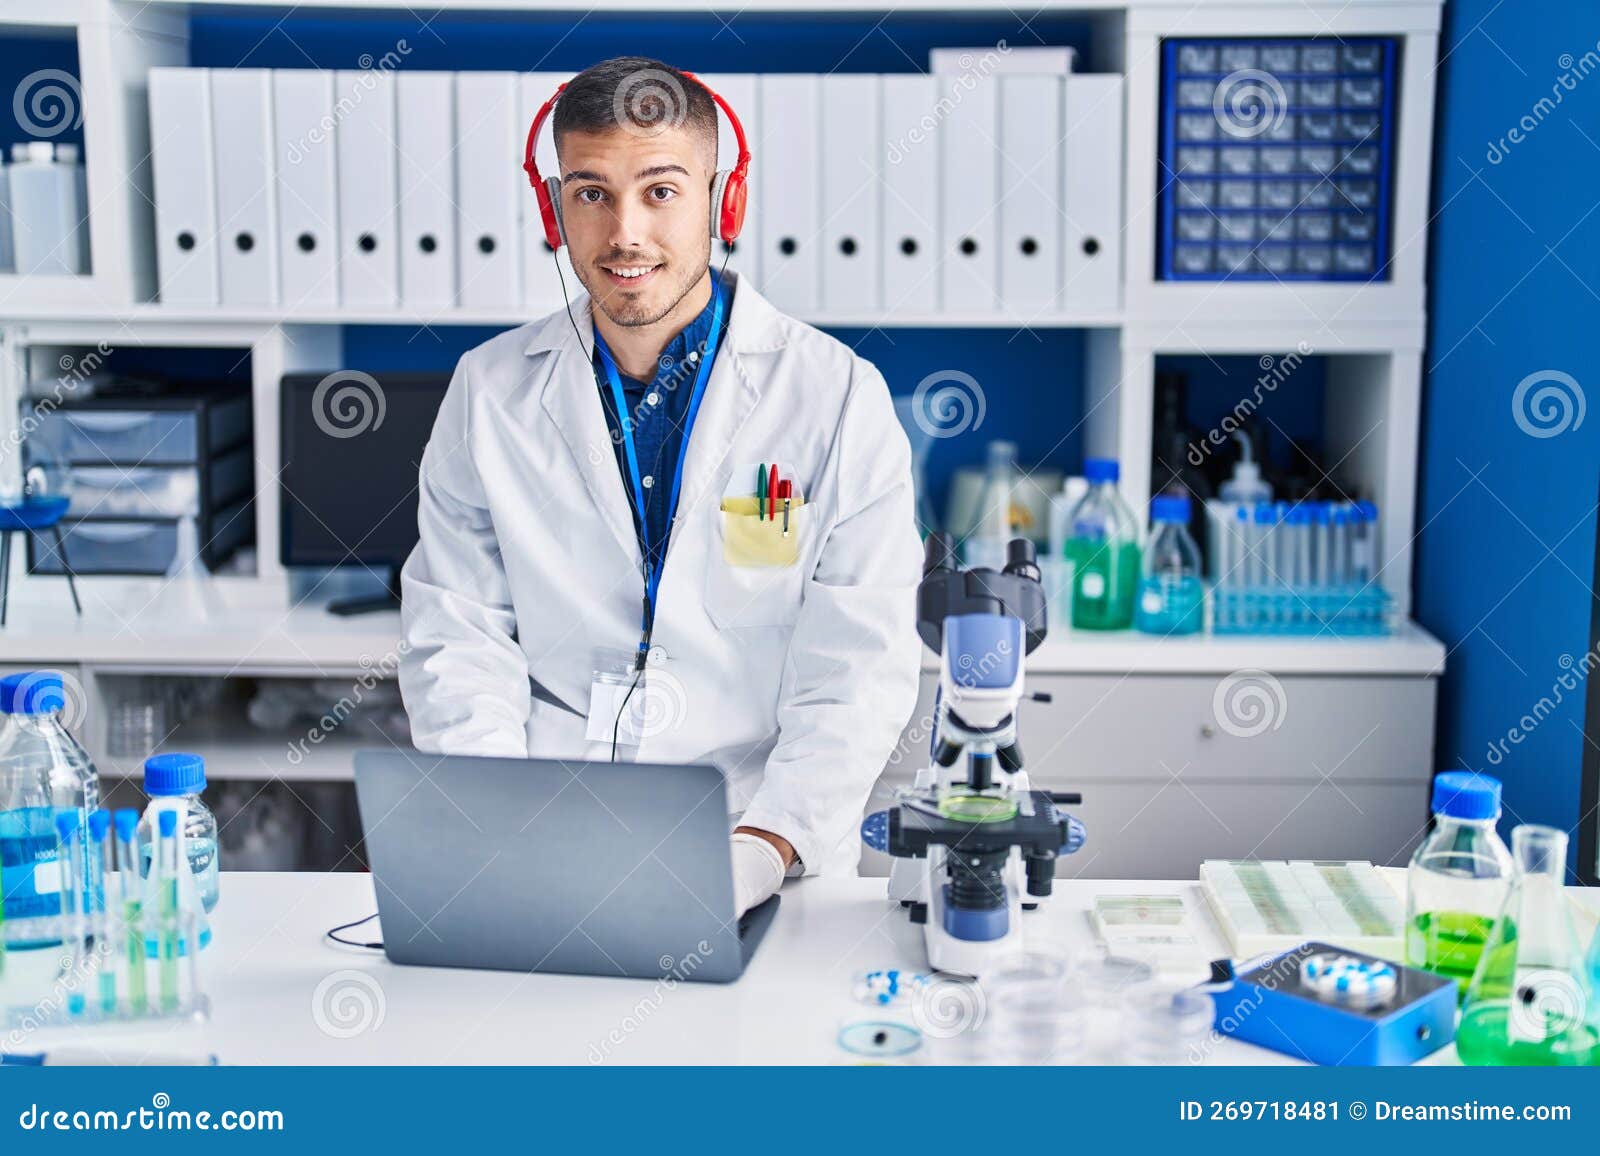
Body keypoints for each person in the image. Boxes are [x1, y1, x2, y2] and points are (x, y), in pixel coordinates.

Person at [398, 57, 923, 916]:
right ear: (552, 206)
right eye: (591, 192)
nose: (624, 234)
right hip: (545, 844)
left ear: (725, 201)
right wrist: (497, 815)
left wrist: (768, 843)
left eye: (661, 191)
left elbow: (859, 664)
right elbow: (458, 635)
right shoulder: (488, 392)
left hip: (759, 843)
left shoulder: (834, 396)